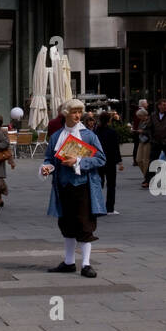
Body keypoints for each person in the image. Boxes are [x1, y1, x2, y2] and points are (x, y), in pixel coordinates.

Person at [42, 99, 107, 277]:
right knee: (66, 223)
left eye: (80, 112)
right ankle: (69, 262)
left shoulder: (89, 136)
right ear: (66, 113)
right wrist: (46, 168)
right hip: (63, 187)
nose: (78, 115)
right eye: (74, 112)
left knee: (84, 224)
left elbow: (101, 159)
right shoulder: (56, 136)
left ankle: (86, 264)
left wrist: (78, 161)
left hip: (83, 187)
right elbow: (49, 159)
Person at [94, 111, 124, 214]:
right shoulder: (112, 132)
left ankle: (97, 206)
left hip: (98, 161)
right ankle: (110, 208)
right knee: (111, 185)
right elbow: (116, 148)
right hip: (110, 161)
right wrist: (119, 162)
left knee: (98, 184)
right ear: (109, 120)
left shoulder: (95, 132)